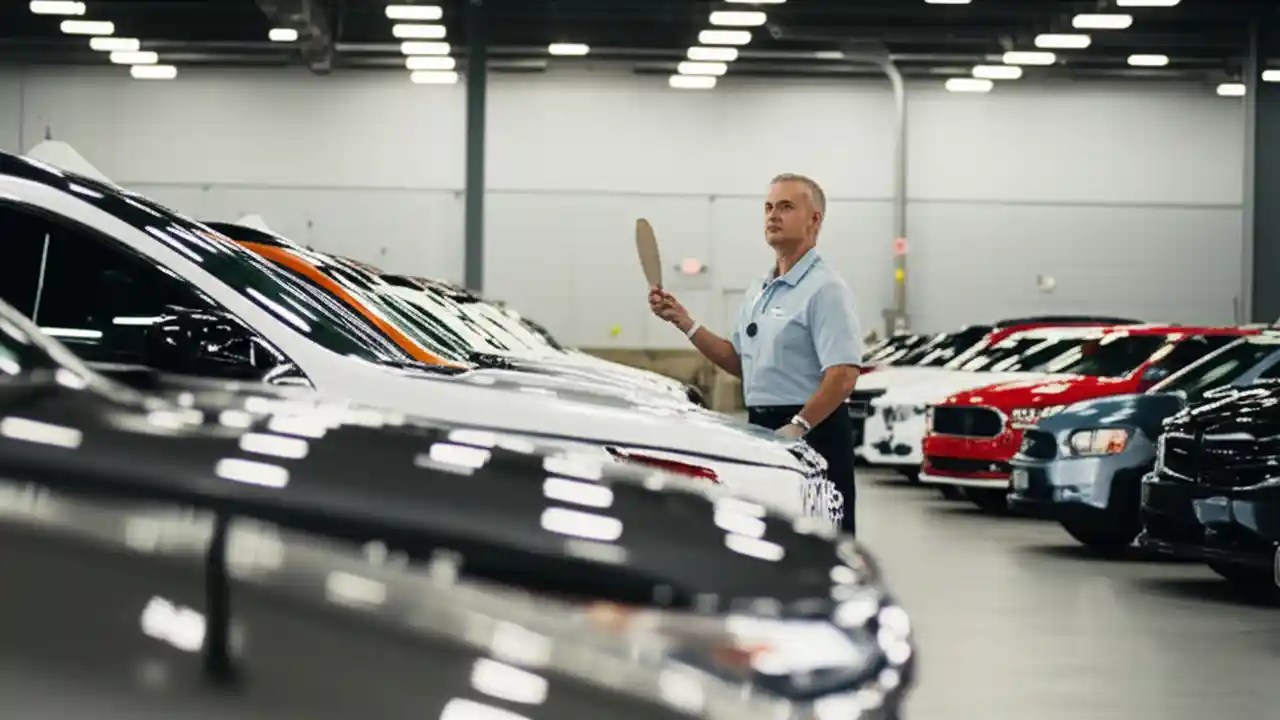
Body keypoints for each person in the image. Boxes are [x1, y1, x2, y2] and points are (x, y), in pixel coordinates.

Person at [648, 173, 863, 534]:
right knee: (771, 537)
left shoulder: (825, 289)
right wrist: (683, 321)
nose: (772, 215)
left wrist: (800, 425)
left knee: (820, 542)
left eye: (785, 207)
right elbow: (740, 360)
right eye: (767, 207)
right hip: (763, 428)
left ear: (814, 220)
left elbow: (843, 374)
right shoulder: (760, 290)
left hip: (813, 433)